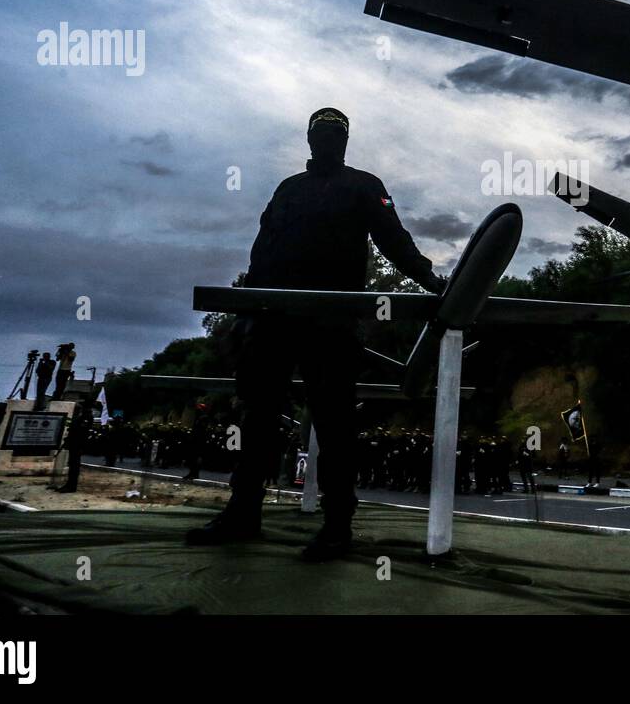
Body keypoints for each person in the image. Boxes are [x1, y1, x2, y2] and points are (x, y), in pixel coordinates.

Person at [185, 108, 446, 560]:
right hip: (274, 321)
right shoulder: (288, 189)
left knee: (334, 424)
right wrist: (246, 316)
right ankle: (243, 512)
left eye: (335, 134)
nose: (327, 141)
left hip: (332, 323)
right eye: (320, 133)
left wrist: (435, 284)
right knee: (258, 418)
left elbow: (395, 241)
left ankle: (337, 525)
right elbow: (262, 252)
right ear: (309, 140)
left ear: (346, 142)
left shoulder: (365, 185)